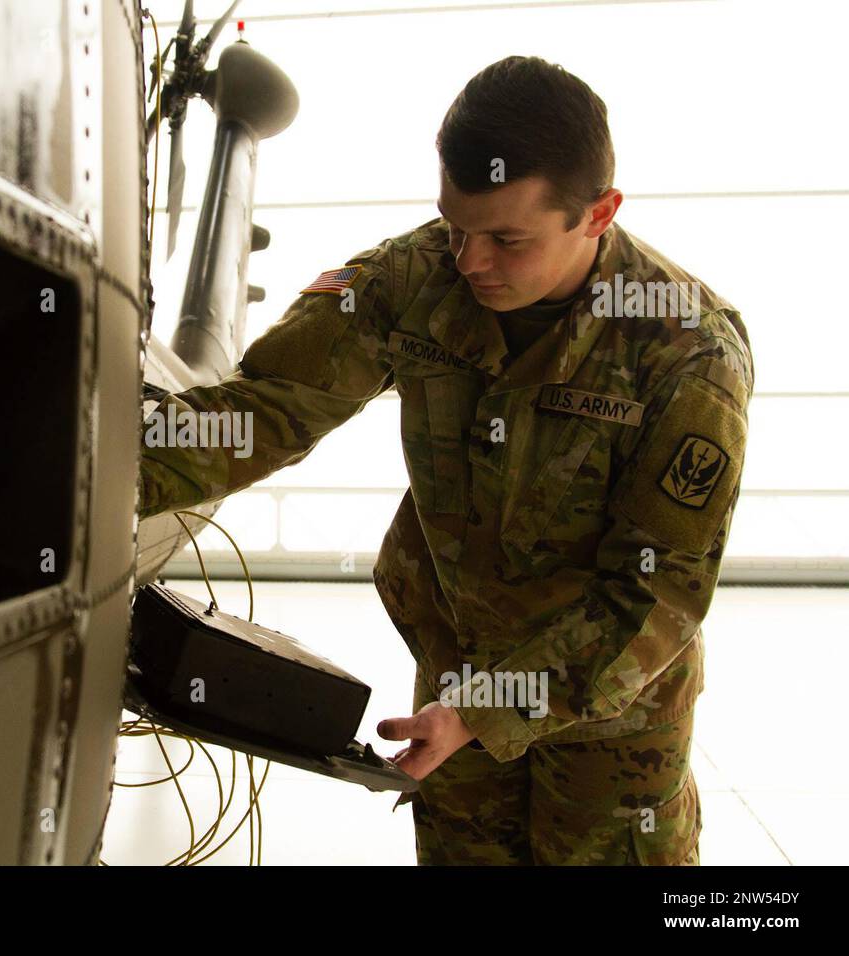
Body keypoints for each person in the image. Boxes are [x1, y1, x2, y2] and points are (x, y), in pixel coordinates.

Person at [137, 55, 752, 865]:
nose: (469, 261)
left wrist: (485, 711)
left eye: (506, 239)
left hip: (611, 717)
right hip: (455, 678)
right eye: (455, 226)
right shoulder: (413, 280)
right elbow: (266, 411)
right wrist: (98, 479)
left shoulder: (686, 351)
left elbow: (658, 592)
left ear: (598, 213)